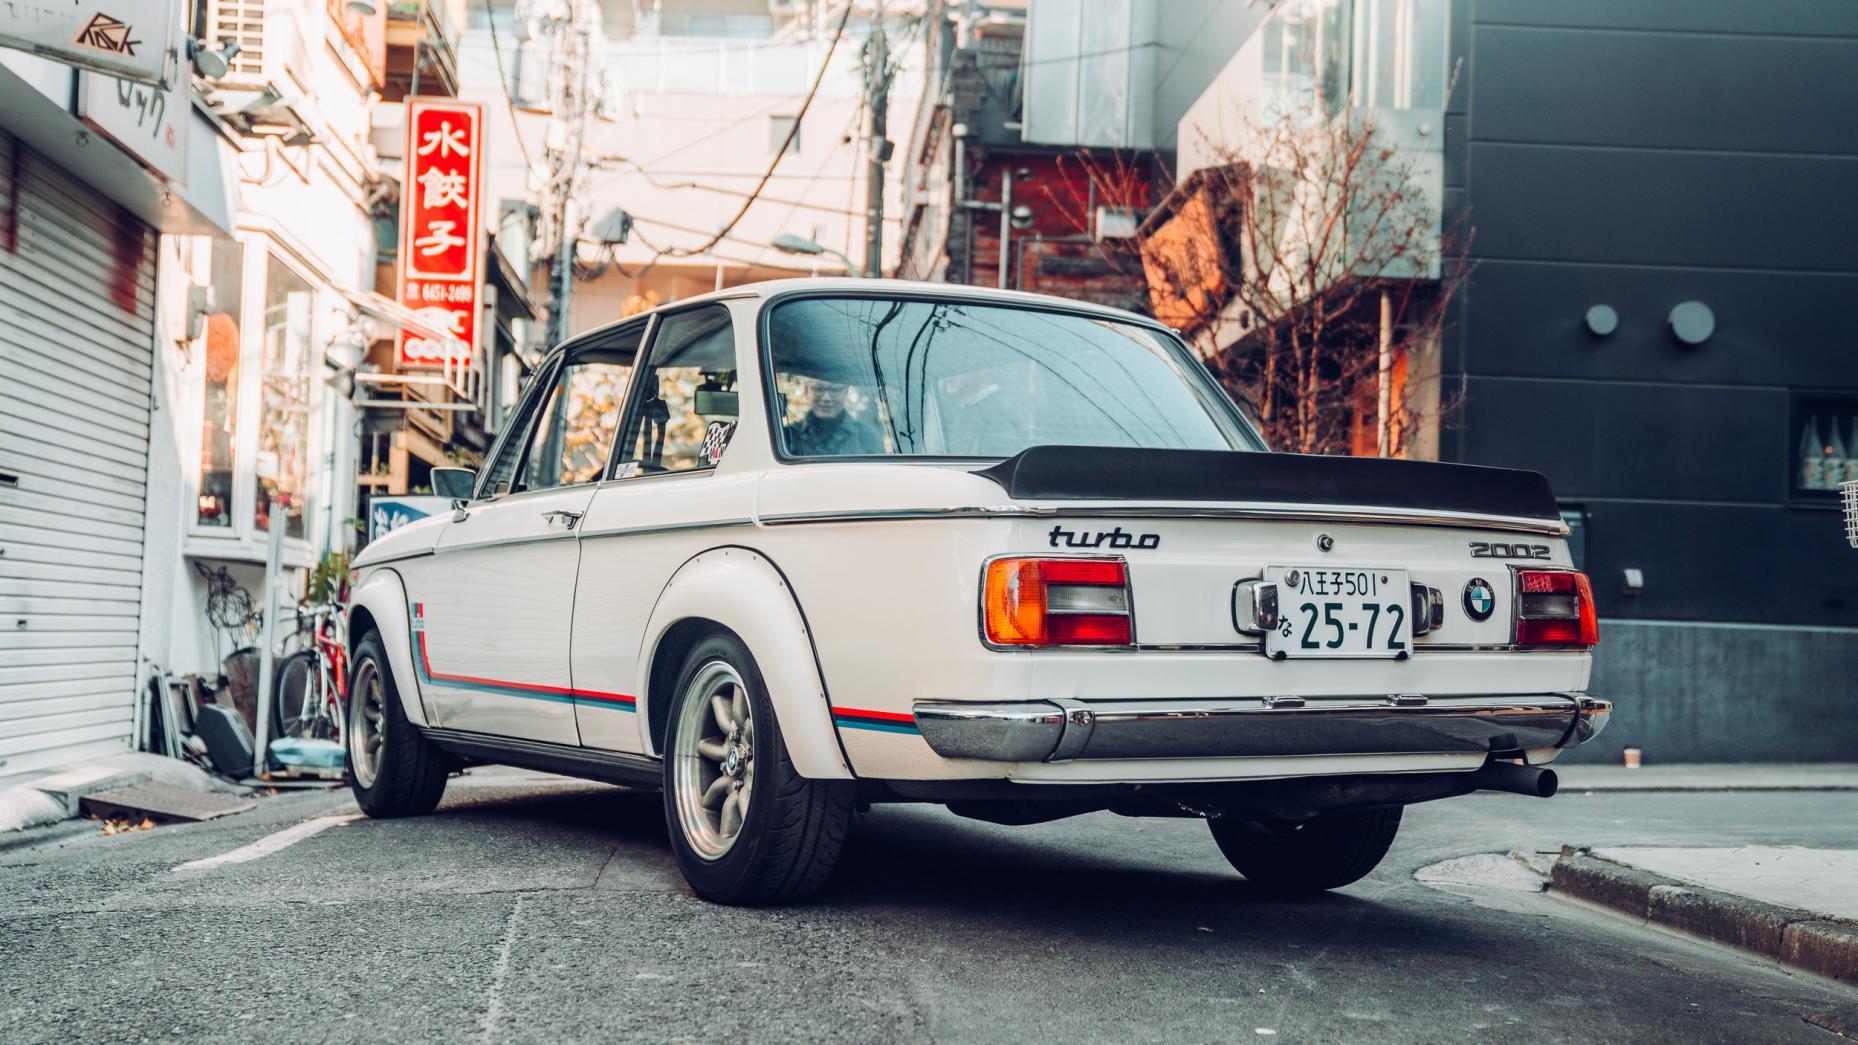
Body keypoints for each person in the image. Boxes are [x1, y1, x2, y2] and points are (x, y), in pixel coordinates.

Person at [785, 377, 886, 456]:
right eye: (818, 389)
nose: (826, 398)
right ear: (806, 392)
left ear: (846, 393)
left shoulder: (867, 435)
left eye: (834, 390)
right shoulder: (787, 435)